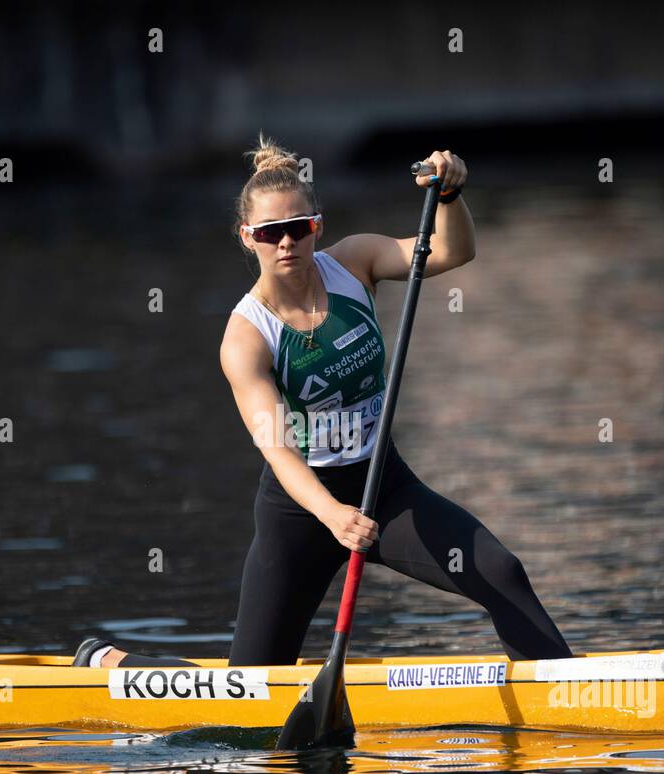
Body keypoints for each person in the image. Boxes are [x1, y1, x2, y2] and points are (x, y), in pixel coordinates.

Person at [75, 133, 571, 670]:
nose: (286, 243)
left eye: (298, 228)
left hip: (384, 484)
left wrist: (449, 196)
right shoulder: (246, 338)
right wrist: (332, 514)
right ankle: (109, 662)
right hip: (301, 511)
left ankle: (563, 693)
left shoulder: (355, 263)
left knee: (501, 572)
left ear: (318, 226)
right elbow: (280, 451)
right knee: (254, 686)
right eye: (270, 233)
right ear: (247, 238)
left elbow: (452, 251)